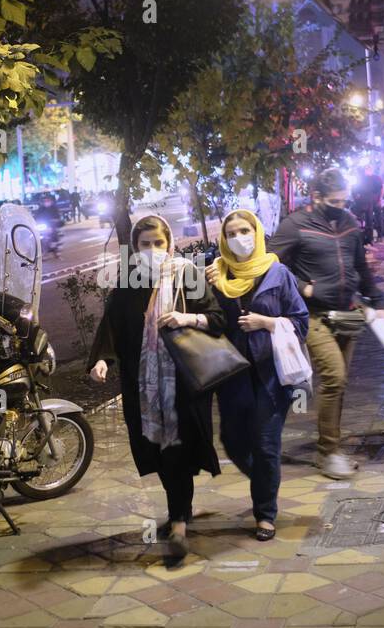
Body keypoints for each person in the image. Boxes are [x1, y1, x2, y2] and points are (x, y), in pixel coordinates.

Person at [88, 214, 225, 561]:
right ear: (135, 248)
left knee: (178, 449)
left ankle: (178, 522)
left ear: (170, 243)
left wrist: (187, 317)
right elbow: (111, 326)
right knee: (157, 450)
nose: (152, 250)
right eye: (144, 244)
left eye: (158, 243)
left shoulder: (186, 275)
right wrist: (102, 358)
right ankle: (181, 507)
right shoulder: (129, 283)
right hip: (143, 386)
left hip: (182, 382)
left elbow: (217, 318)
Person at [268, 168, 384, 480]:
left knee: (340, 381)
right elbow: (270, 263)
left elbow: (361, 266)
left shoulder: (349, 223)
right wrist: (304, 287)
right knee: (334, 376)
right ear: (316, 197)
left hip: (347, 313)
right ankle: (328, 451)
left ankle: (331, 447)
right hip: (312, 315)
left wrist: (379, 301)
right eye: (334, 201)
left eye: (345, 201)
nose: (341, 207)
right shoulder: (295, 226)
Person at [209, 209, 308, 540]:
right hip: (232, 374)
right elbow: (210, 318)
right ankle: (266, 482)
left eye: (244, 230)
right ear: (224, 239)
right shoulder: (216, 276)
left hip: (270, 375)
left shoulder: (278, 273)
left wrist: (266, 323)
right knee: (232, 441)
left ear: (257, 231)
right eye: (231, 233)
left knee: (266, 445)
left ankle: (265, 513)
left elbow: (301, 321)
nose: (239, 238)